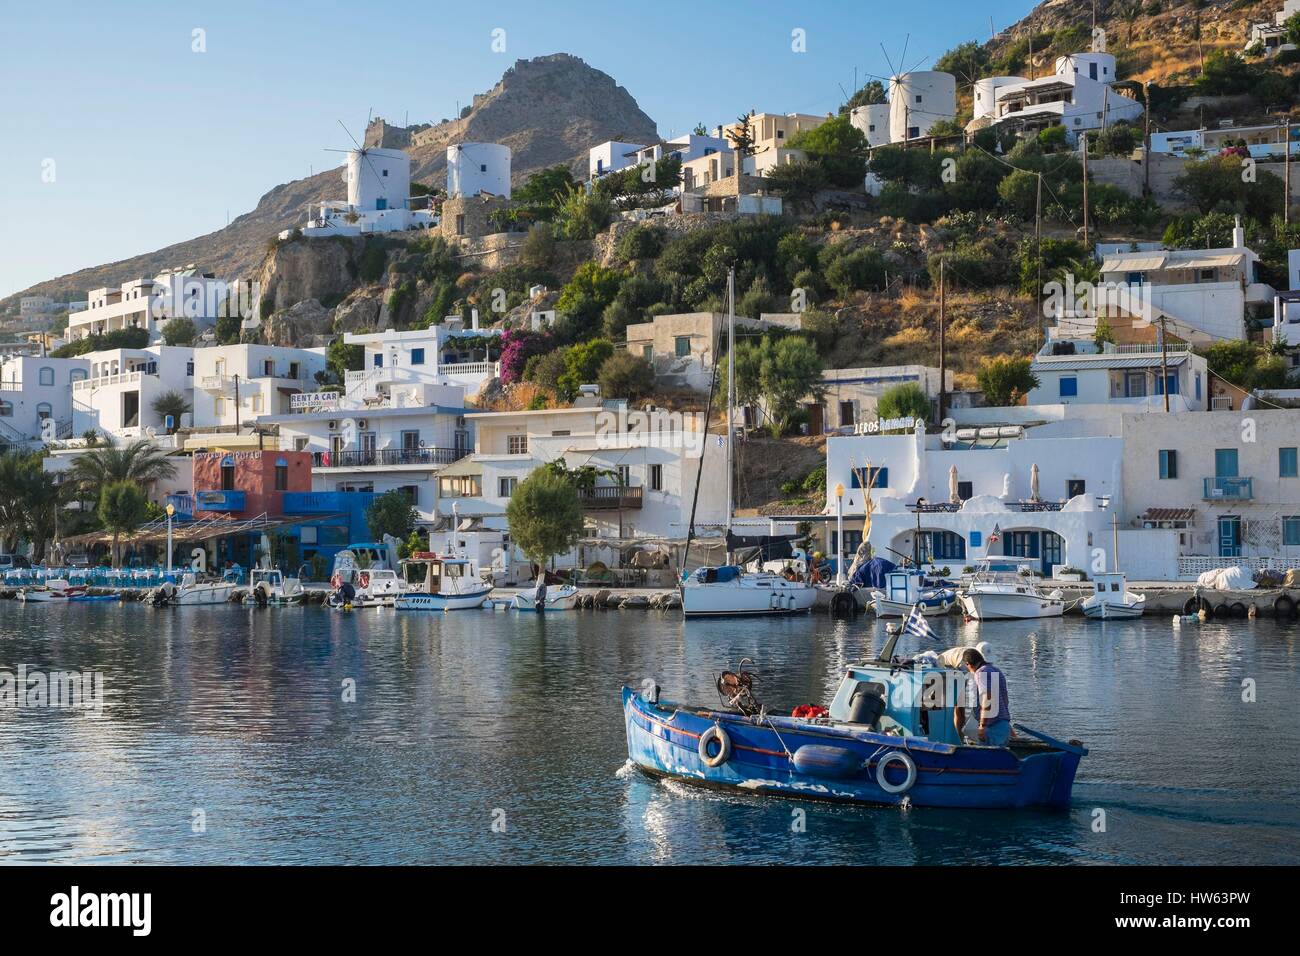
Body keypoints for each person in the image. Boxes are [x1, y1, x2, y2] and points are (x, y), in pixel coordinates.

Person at [954, 648, 1011, 746]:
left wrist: (982, 725)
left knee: (986, 759)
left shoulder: (980, 673)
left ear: (968, 664)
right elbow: (1005, 700)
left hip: (992, 727)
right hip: (1004, 726)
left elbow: (987, 698)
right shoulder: (997, 670)